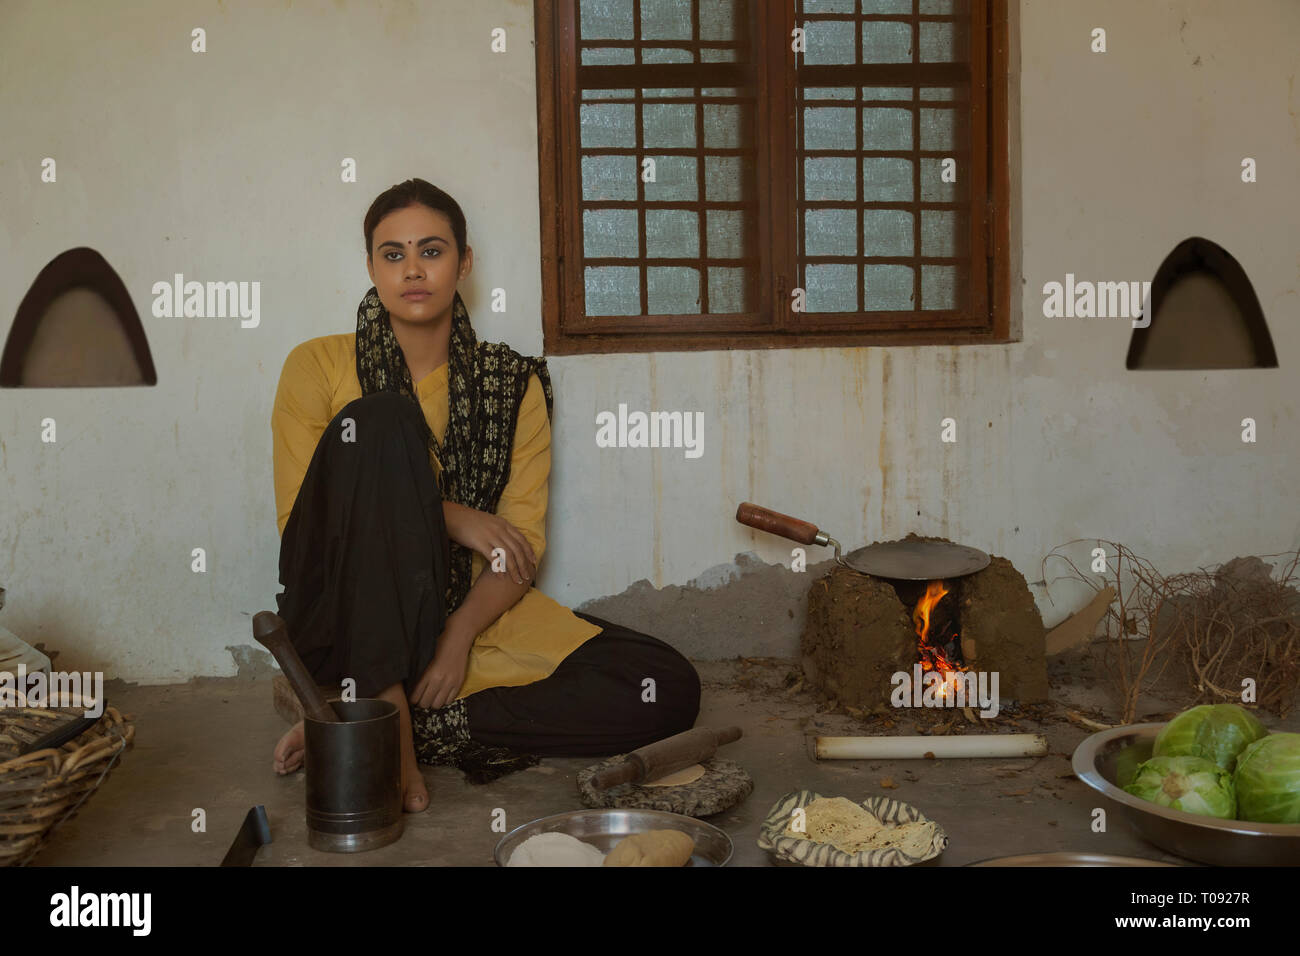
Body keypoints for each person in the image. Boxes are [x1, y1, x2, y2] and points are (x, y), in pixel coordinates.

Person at [268, 179, 701, 812]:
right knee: (383, 421)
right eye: (392, 254)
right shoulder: (317, 365)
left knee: (666, 687)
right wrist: (451, 517)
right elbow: (304, 524)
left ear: (464, 262)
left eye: (432, 251)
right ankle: (385, 721)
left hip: (464, 611)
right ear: (370, 267)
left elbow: (518, 547)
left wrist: (457, 638)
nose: (412, 270)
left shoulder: (511, 383)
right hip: (344, 607)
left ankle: (380, 720)